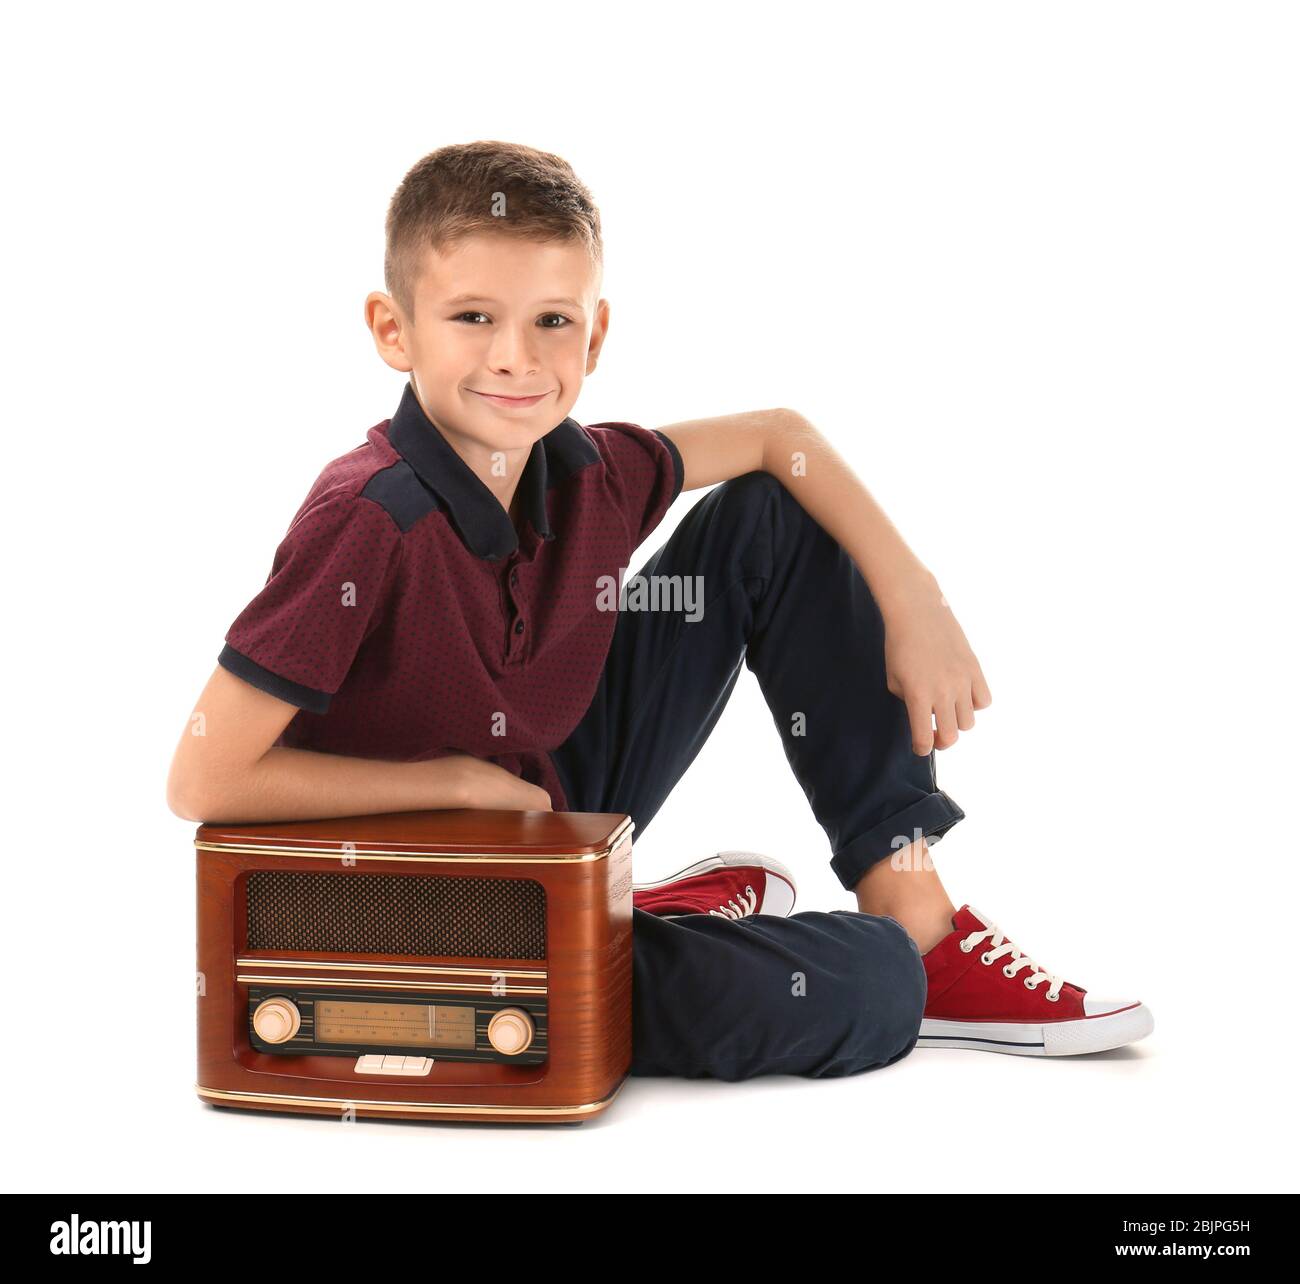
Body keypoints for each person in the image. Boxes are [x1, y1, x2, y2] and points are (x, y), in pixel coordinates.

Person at [167, 140, 1152, 1081]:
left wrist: (915, 595)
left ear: (594, 335)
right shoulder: (368, 523)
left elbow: (780, 440)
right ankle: (664, 926)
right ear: (394, 330)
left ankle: (917, 916)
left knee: (768, 512)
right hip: (432, 925)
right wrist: (455, 787)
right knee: (866, 982)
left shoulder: (585, 470)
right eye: (472, 318)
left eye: (552, 321)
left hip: (540, 806)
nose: (515, 357)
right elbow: (205, 775)